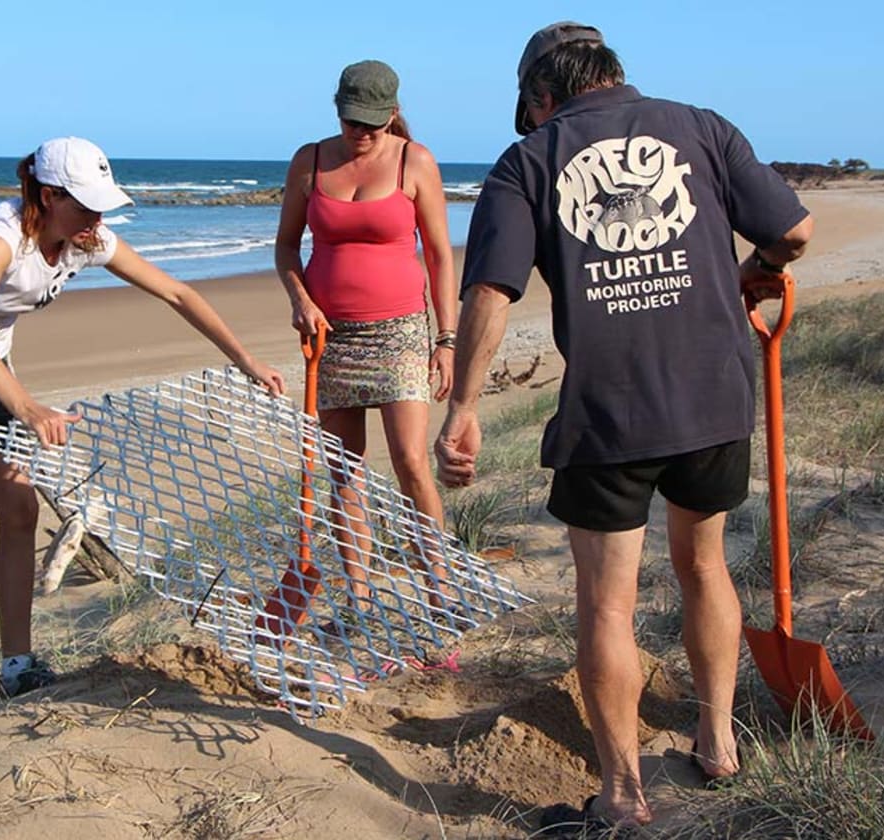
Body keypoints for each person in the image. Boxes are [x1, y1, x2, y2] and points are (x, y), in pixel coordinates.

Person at [435, 22, 813, 830]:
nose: (531, 125)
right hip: (714, 399)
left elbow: (491, 294)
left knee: (608, 607)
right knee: (704, 567)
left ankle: (623, 793)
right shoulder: (704, 128)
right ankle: (718, 744)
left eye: (529, 112)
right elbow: (793, 231)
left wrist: (463, 407)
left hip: (609, 417)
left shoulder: (528, 161)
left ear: (542, 96)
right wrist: (761, 270)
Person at [0, 136, 285, 718]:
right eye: (86, 205)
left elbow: (175, 290)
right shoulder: (4, 237)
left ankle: (18, 666)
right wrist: (26, 407)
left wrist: (244, 359)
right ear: (47, 196)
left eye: (102, 206)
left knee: (20, 514)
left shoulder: (85, 239)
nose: (98, 219)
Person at [274, 60, 460, 619]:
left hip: (401, 330)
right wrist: (301, 300)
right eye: (353, 121)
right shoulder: (308, 161)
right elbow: (286, 248)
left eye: (374, 124)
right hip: (332, 337)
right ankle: (360, 598)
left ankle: (440, 590)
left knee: (409, 461)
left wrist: (445, 339)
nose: (362, 133)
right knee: (344, 470)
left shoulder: (414, 161)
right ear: (338, 109)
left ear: (393, 114)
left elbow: (440, 256)